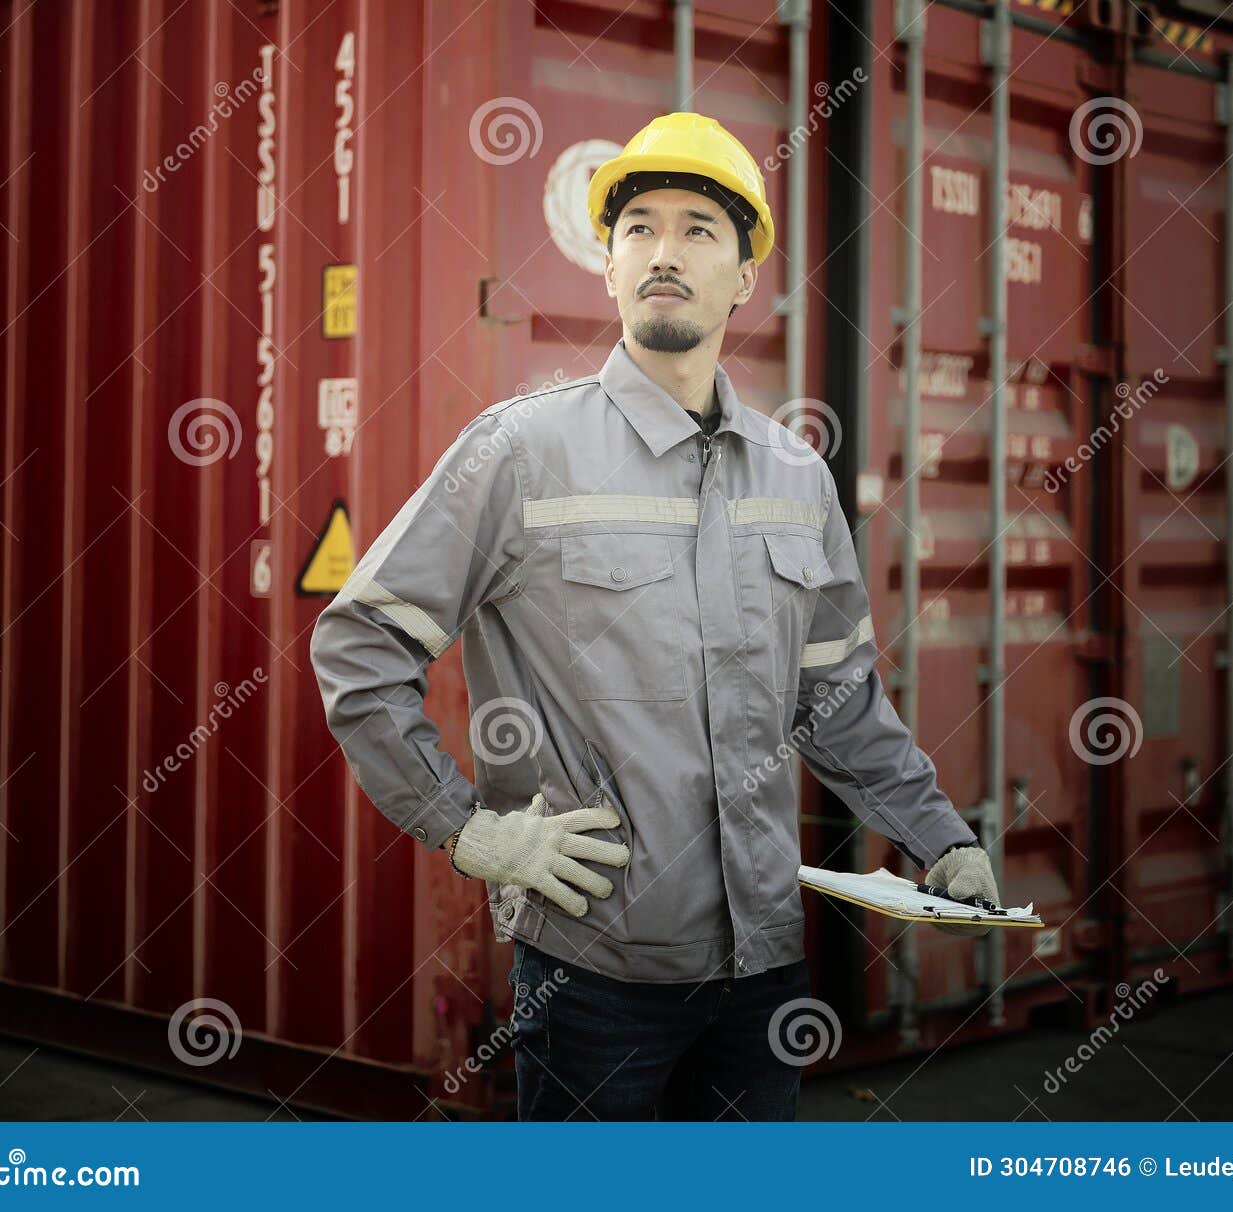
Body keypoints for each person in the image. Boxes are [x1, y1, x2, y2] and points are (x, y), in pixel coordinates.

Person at [309, 111, 997, 1121]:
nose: (664, 252)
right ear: (609, 268)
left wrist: (939, 837)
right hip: (594, 977)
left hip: (762, 971)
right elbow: (359, 644)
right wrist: (465, 831)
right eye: (638, 227)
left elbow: (840, 699)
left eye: (697, 230)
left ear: (743, 276)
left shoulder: (795, 476)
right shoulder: (519, 452)